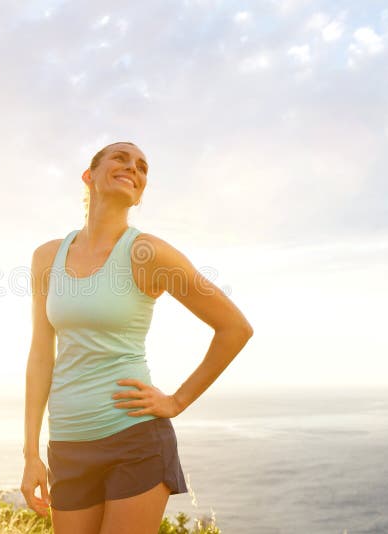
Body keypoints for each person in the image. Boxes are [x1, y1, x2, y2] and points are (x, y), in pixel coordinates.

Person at [21, 141, 254, 534]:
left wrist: (177, 400)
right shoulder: (47, 257)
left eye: (142, 167)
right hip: (67, 444)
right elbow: (41, 354)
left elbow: (235, 328)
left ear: (140, 191)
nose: (133, 167)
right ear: (89, 176)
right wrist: (31, 453)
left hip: (133, 441)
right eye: (121, 158)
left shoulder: (147, 253)